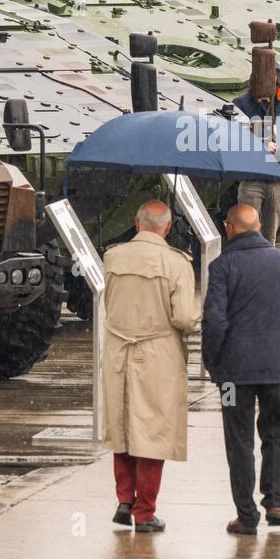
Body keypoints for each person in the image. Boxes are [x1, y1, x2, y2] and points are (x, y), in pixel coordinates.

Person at [202, 204, 280, 536]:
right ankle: (275, 501)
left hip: (234, 374)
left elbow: (215, 322)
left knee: (239, 440)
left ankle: (246, 515)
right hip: (277, 369)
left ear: (229, 228)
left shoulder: (221, 267)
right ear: (260, 226)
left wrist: (213, 363)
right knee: (275, 433)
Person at [101, 200, 200, 533]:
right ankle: (145, 511)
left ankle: (123, 500)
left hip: (117, 351)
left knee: (122, 426)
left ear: (136, 222)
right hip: (157, 353)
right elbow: (184, 318)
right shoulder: (176, 263)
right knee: (153, 431)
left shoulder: (112, 257)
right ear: (168, 227)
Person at [233, 67, 280, 244]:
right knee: (245, 231)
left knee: (270, 235)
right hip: (251, 177)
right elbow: (234, 136)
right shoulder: (241, 104)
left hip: (277, 178)